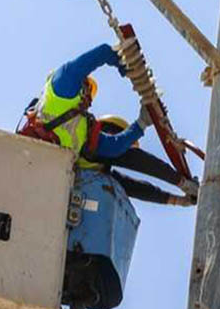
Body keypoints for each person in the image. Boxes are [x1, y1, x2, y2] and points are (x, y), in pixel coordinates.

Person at [19, 43, 196, 204]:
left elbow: (116, 152)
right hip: (37, 168)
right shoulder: (61, 87)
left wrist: (142, 123)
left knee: (114, 178)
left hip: (51, 177)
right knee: (122, 164)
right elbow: (102, 52)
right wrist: (121, 62)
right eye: (88, 92)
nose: (89, 100)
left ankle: (180, 186)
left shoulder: (81, 130)